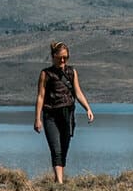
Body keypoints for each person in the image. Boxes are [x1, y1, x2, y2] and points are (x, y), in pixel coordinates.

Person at [33, 40, 93, 183]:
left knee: (64, 149)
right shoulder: (45, 74)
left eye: (65, 58)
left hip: (67, 115)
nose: (62, 60)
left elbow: (78, 93)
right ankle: (60, 183)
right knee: (56, 149)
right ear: (53, 56)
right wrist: (37, 118)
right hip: (50, 115)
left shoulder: (72, 72)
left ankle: (57, 179)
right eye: (60, 57)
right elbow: (41, 96)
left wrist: (88, 108)